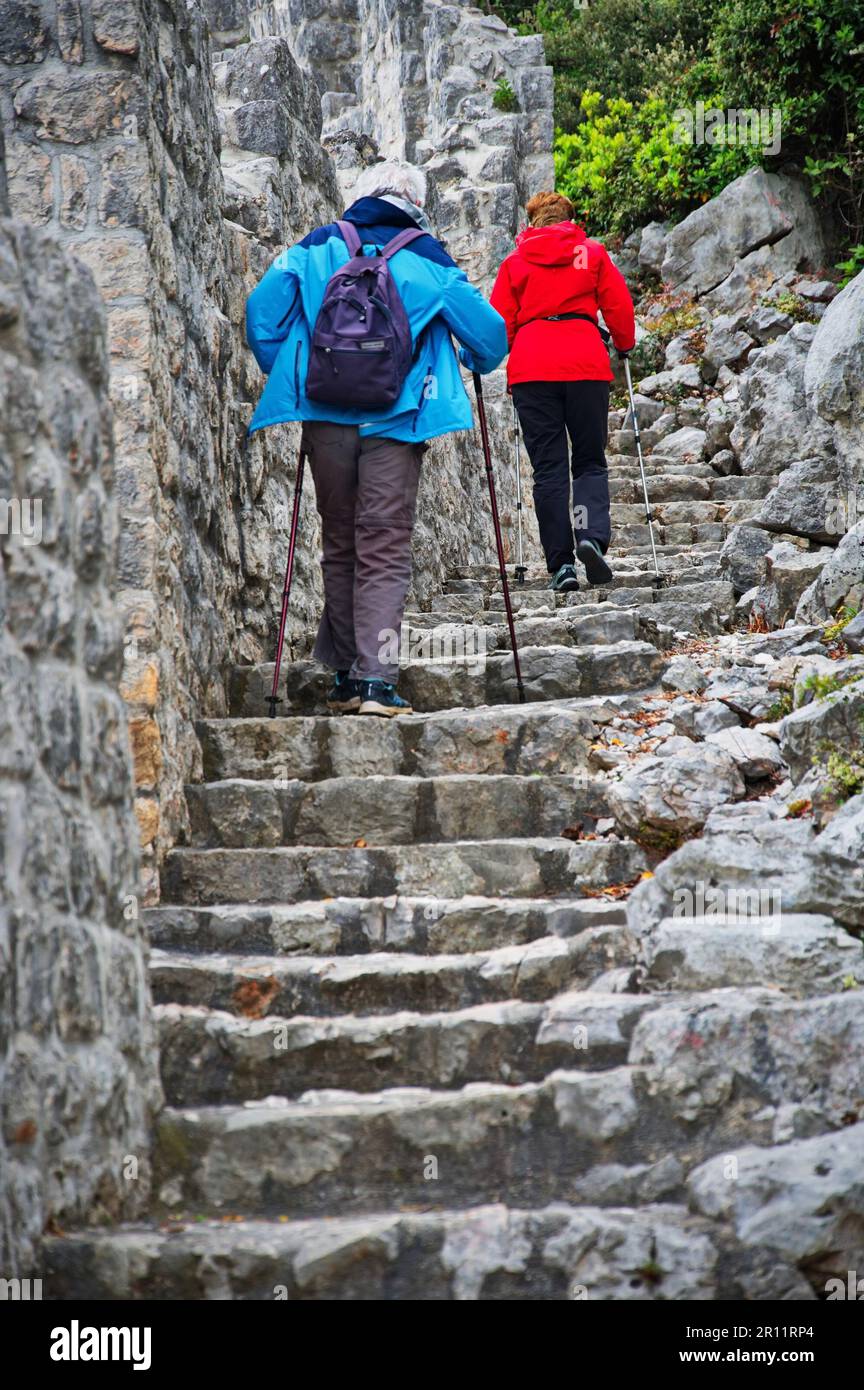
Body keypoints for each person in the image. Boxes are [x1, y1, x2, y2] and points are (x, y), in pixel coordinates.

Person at [246, 161, 507, 717]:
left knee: (339, 543)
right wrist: (468, 358)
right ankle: (375, 684)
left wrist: (304, 374)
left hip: (326, 419)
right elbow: (490, 338)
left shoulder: (315, 246)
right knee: (384, 547)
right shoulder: (429, 258)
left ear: (360, 196)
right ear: (415, 202)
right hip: (397, 419)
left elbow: (261, 317)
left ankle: (343, 677)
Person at [490, 190, 636, 592]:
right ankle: (589, 537)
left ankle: (561, 566)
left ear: (532, 221)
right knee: (588, 460)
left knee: (549, 469)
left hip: (533, 369)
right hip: (585, 362)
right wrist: (624, 343)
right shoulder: (591, 253)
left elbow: (499, 323)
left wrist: (495, 358)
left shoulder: (515, 263)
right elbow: (619, 306)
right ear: (570, 218)